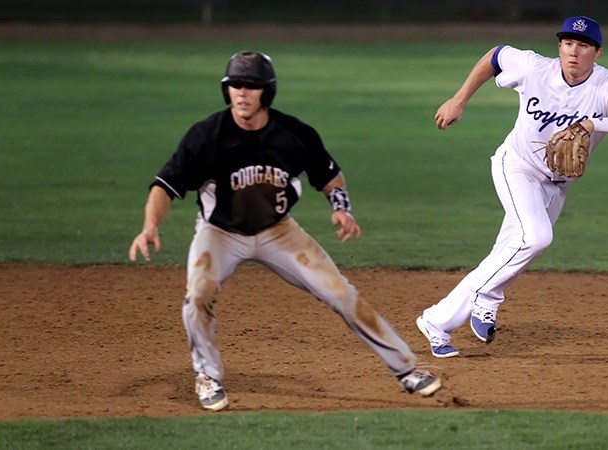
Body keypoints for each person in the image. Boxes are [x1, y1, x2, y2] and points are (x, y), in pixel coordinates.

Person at [129, 50, 441, 411]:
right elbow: (164, 186)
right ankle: (207, 377)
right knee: (198, 293)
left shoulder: (294, 134)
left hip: (279, 231)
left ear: (268, 92)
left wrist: (341, 208)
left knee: (340, 292)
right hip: (220, 233)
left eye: (252, 86)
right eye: (235, 85)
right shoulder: (207, 135)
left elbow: (328, 175)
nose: (242, 93)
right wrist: (150, 226)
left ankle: (407, 370)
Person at [416, 16, 608, 357]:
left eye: (583, 45)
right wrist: (460, 99)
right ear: (559, 46)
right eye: (568, 43)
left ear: (597, 53)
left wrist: (592, 122)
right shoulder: (534, 67)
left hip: (556, 185)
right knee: (536, 237)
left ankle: (436, 322)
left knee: (510, 252)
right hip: (518, 168)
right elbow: (495, 56)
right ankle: (485, 298)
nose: (574, 51)